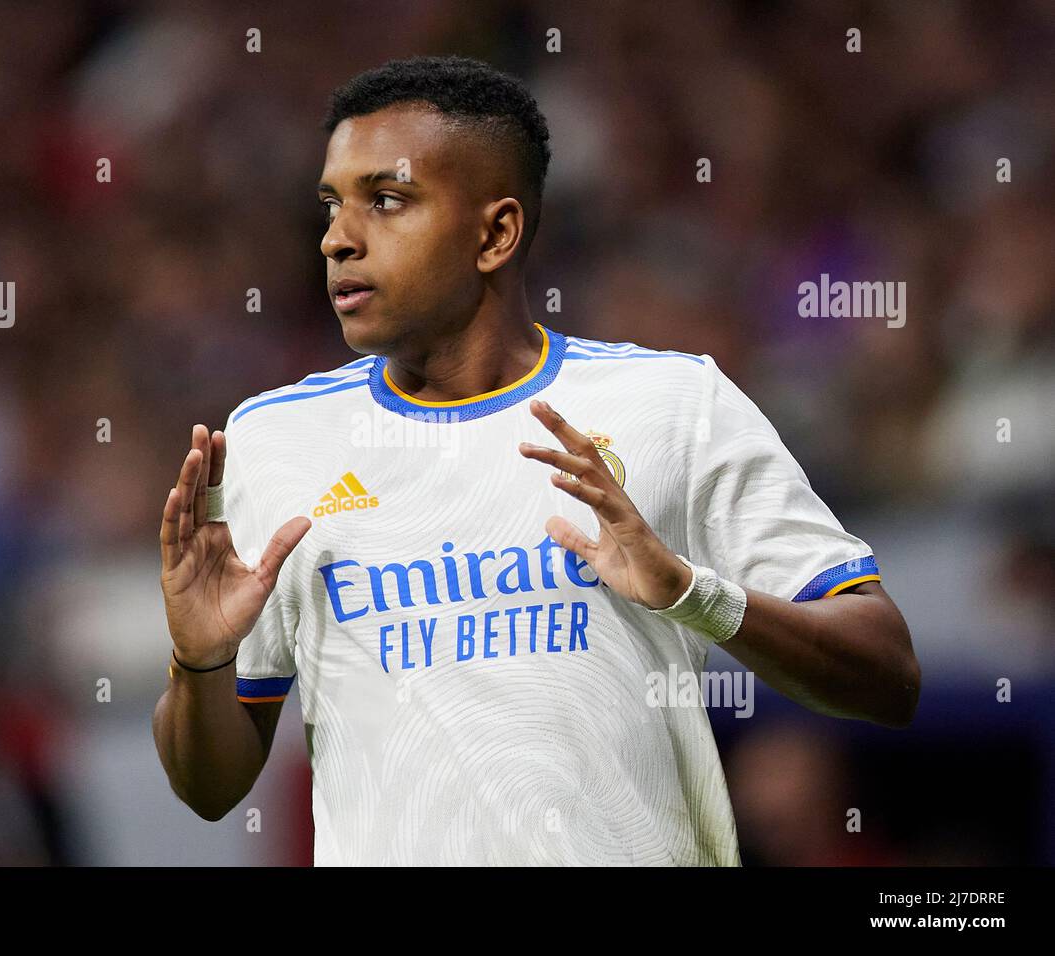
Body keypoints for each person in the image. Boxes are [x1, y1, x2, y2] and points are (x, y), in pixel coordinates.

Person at [151, 55, 920, 865]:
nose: (339, 239)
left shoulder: (673, 403)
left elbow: (888, 673)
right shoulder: (273, 440)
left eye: (386, 200)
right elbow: (209, 790)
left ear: (495, 233)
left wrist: (696, 595)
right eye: (332, 205)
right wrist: (199, 659)